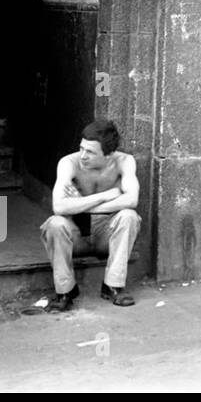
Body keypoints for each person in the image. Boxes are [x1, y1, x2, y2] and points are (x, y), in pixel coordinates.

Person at [39, 118, 141, 311]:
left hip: (107, 235)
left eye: (91, 152)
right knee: (54, 224)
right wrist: (106, 196)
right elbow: (59, 206)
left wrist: (78, 204)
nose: (83, 155)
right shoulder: (69, 163)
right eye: (82, 148)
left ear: (108, 154)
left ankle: (113, 286)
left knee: (129, 216)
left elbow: (131, 200)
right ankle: (65, 291)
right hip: (76, 234)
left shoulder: (124, 162)